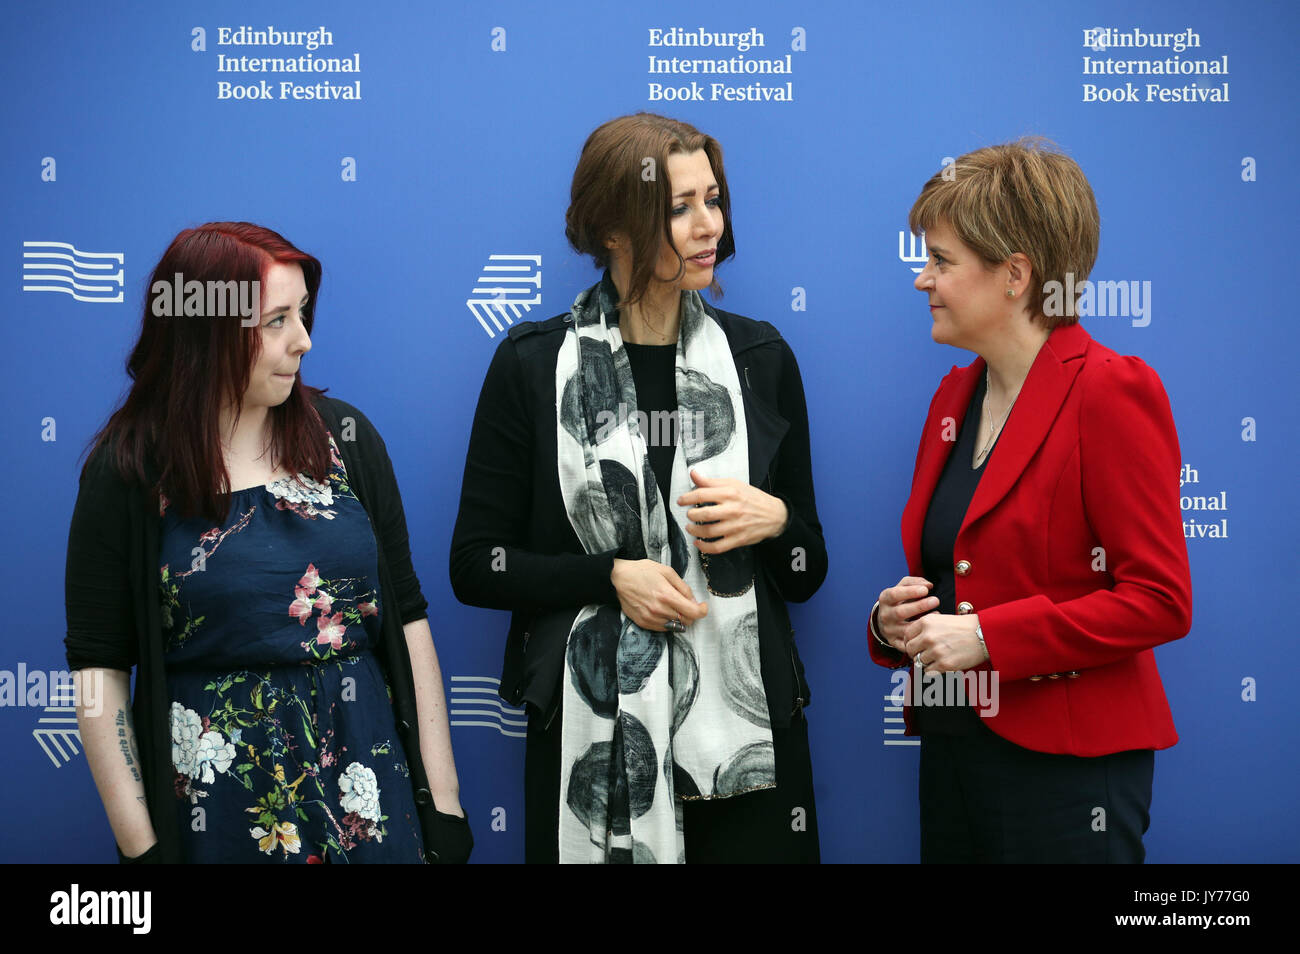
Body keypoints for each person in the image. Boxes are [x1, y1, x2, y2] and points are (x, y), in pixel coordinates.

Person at [450, 113, 827, 863]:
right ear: (614, 229)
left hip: (747, 747)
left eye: (712, 200)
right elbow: (476, 566)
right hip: (590, 736)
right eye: (678, 207)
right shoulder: (531, 366)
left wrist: (777, 519)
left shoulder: (760, 359)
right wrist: (609, 577)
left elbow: (808, 572)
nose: (705, 226)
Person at [65, 222, 471, 863]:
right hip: (217, 819)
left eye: (303, 314)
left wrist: (443, 804)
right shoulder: (131, 469)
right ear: (208, 332)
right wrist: (142, 849)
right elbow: (98, 670)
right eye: (276, 320)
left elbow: (408, 620)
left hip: (367, 800)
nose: (303, 341)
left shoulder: (348, 441)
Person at [868, 140, 1193, 863]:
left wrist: (987, 639)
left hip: (1068, 776)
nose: (923, 279)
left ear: (1015, 275)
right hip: (954, 756)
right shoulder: (955, 395)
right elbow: (954, 572)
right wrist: (893, 622)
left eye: (943, 261)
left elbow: (1160, 599)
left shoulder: (1110, 391)